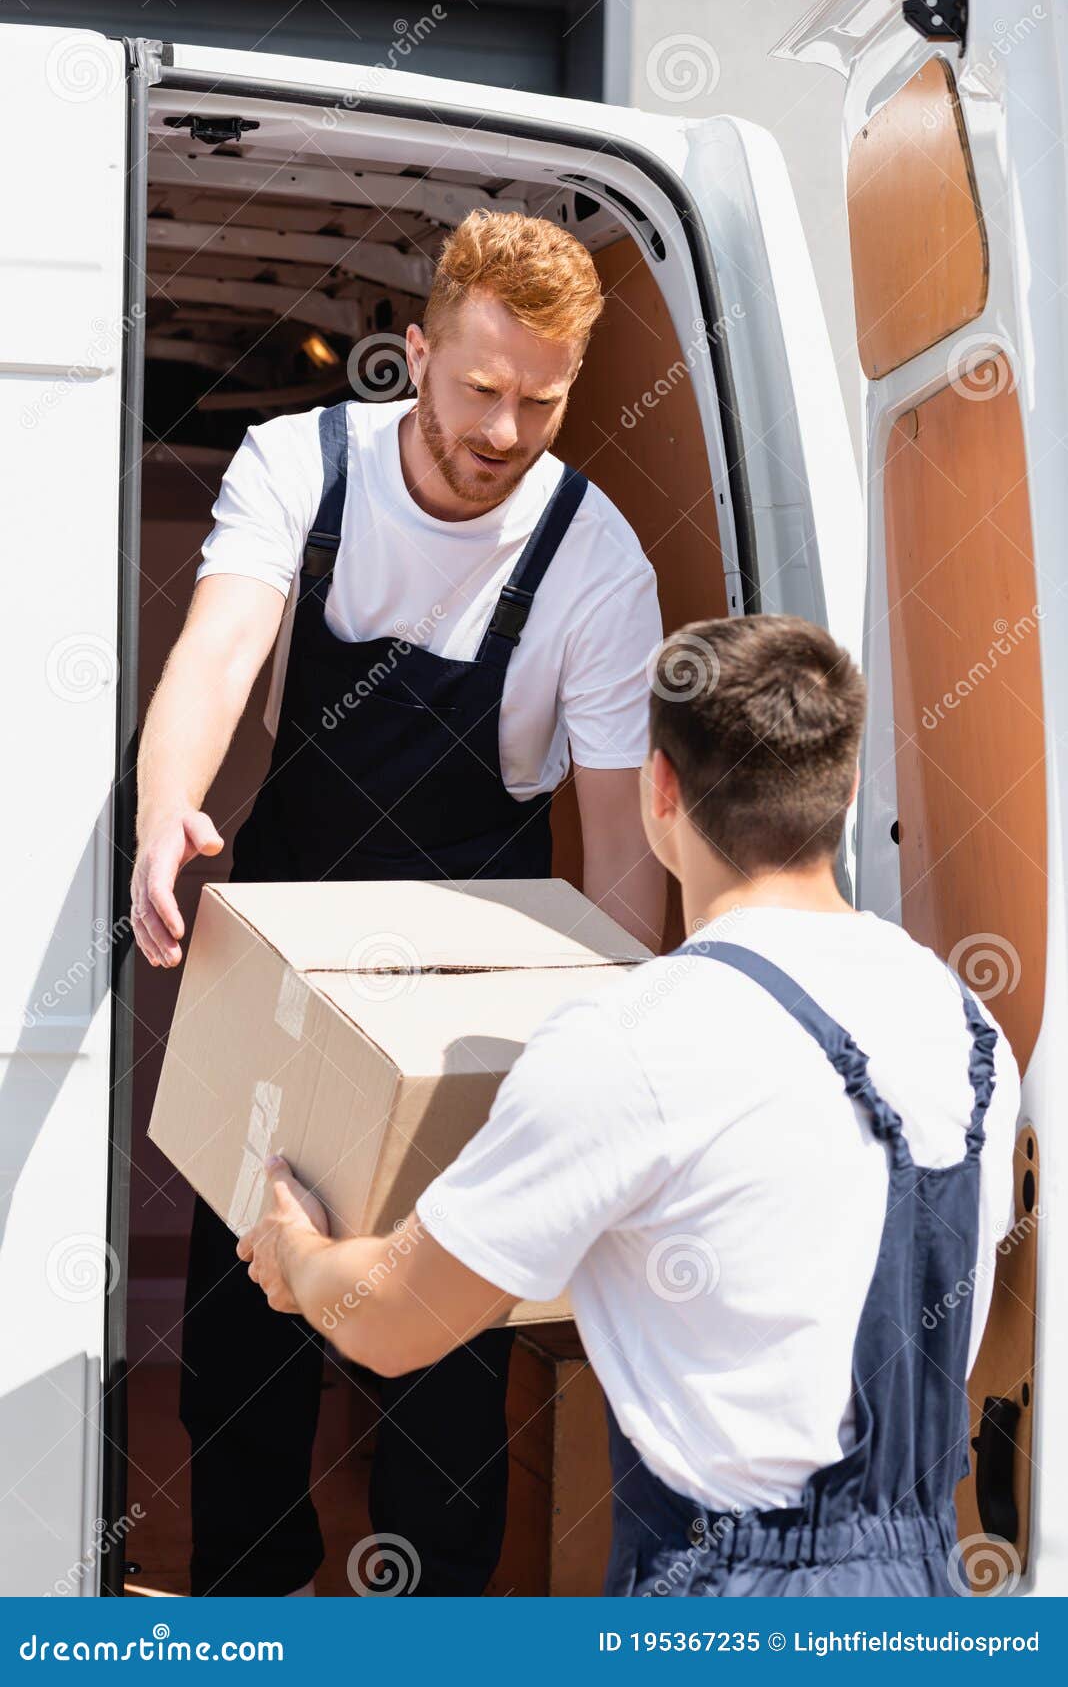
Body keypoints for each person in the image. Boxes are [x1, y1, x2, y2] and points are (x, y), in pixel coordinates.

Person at [240, 613, 1019, 1598]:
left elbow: (393, 1321)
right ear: (846, 788)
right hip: (928, 1587)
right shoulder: (966, 1022)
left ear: (659, 791)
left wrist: (300, 1256)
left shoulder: (634, 1042)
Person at [131, 209, 666, 1597]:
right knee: (240, 1364)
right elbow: (219, 648)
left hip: (468, 1003)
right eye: (479, 388)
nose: (502, 428)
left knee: (443, 1383)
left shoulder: (598, 565)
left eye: (538, 403)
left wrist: (619, 1073)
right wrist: (162, 810)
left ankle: (422, 1643)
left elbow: (619, 850)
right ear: (416, 352)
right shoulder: (301, 461)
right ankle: (256, 1612)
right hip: (289, 976)